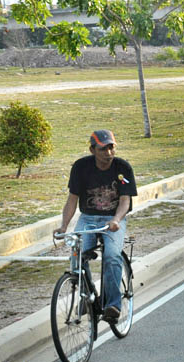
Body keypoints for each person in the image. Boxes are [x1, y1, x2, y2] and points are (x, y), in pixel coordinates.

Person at [55, 129, 138, 323]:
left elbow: (125, 201)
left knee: (111, 256)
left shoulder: (122, 168)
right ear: (92, 150)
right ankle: (86, 295)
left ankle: (113, 304)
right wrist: (64, 226)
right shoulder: (80, 167)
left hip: (113, 219)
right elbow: (72, 199)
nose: (108, 153)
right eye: (103, 149)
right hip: (88, 217)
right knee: (77, 255)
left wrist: (116, 219)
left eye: (111, 148)